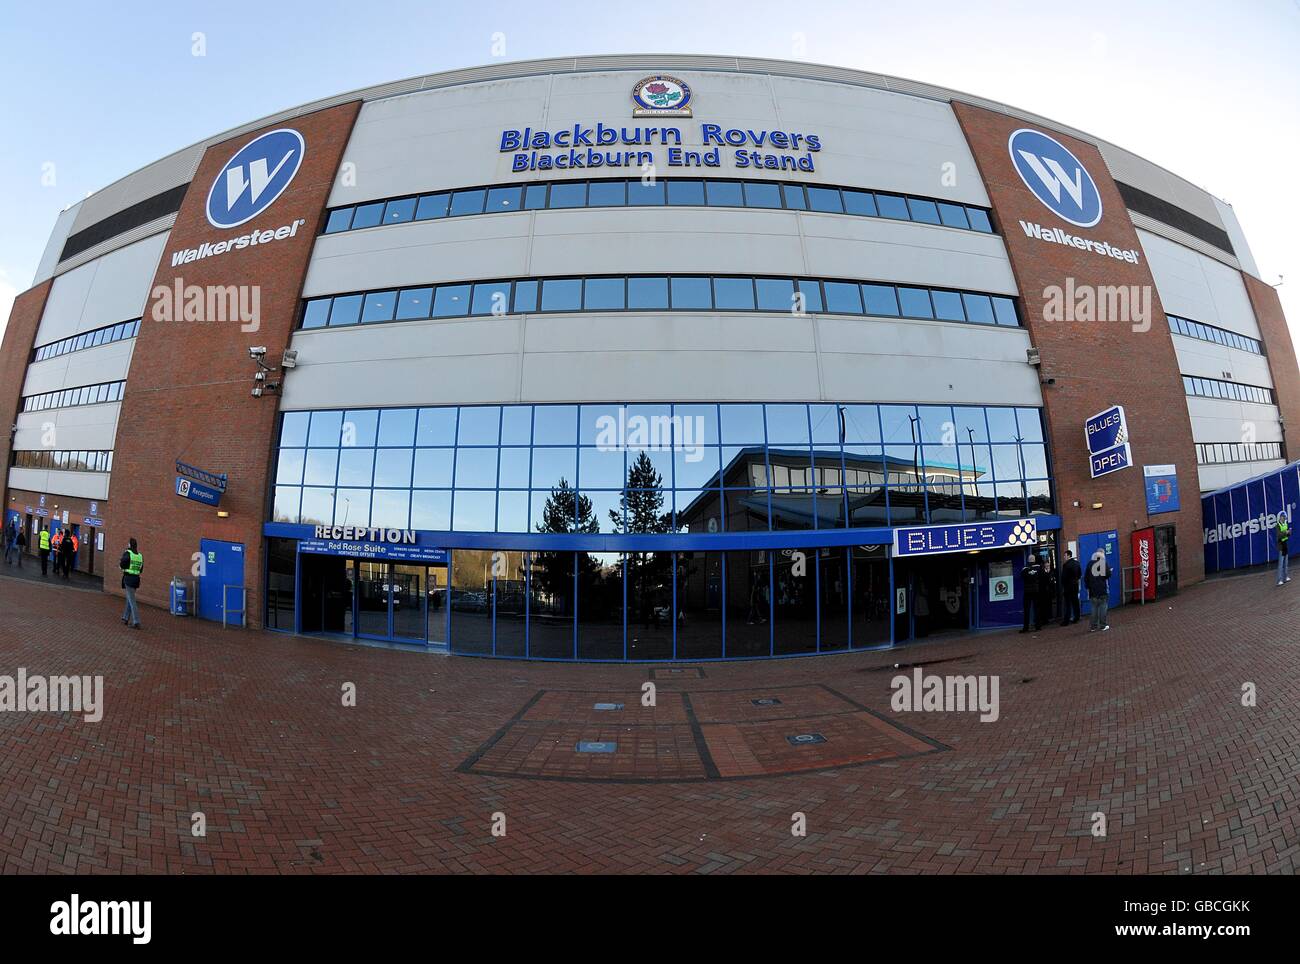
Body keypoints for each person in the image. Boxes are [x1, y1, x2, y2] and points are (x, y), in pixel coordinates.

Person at [120, 537, 144, 629]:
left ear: (130, 544)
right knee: (129, 598)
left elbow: (122, 563)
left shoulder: (127, 553)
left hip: (128, 578)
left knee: (132, 601)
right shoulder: (140, 556)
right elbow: (141, 569)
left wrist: (123, 567)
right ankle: (125, 618)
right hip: (136, 579)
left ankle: (136, 621)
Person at [1086, 549, 1111, 632]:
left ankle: (1093, 626)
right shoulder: (1103, 563)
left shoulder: (1089, 564)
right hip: (1102, 589)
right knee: (1103, 607)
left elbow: (1086, 577)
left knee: (1094, 608)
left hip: (1092, 590)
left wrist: (1088, 587)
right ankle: (1103, 625)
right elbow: (1108, 575)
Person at [1059, 550, 1081, 625]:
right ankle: (1077, 617)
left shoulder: (1066, 565)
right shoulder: (1077, 563)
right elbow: (1079, 574)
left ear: (1068, 555)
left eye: (1065, 555)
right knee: (1075, 602)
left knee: (1068, 604)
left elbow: (1063, 577)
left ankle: (1066, 620)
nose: (1064, 557)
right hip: (1075, 586)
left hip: (1068, 587)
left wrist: (1063, 585)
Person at [1038, 556, 1057, 628]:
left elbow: (1052, 582)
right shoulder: (1042, 572)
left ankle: (1049, 617)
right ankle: (1045, 619)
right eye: (1046, 565)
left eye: (1048, 565)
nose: (1048, 567)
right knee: (1044, 606)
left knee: (1049, 605)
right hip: (1043, 592)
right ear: (1044, 566)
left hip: (1049, 591)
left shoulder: (1052, 572)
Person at [1276, 515, 1291, 586]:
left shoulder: (1285, 524)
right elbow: (1279, 535)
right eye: (1282, 517)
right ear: (1280, 518)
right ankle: (1279, 580)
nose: (1283, 518)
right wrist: (1286, 532)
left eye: (1284, 517)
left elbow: (1288, 535)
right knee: (1281, 564)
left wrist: (1289, 532)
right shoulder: (1277, 525)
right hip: (1280, 545)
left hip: (1285, 544)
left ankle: (1286, 577)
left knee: (1286, 562)